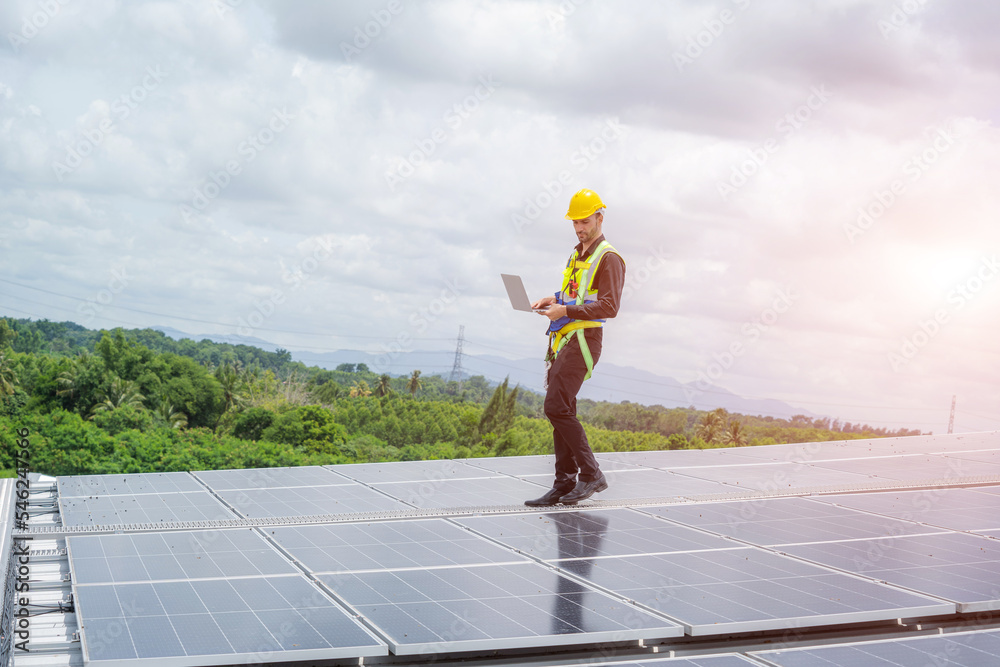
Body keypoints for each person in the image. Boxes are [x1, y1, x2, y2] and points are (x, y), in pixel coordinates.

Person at [525, 188, 626, 507]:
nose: (580, 228)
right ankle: (564, 482)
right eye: (575, 223)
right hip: (564, 339)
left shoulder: (609, 258)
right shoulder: (576, 255)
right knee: (562, 409)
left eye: (585, 221)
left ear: (599, 217)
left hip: (584, 341)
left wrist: (565, 311)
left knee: (555, 407)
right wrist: (552, 300)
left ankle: (591, 475)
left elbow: (609, 307)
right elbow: (576, 294)